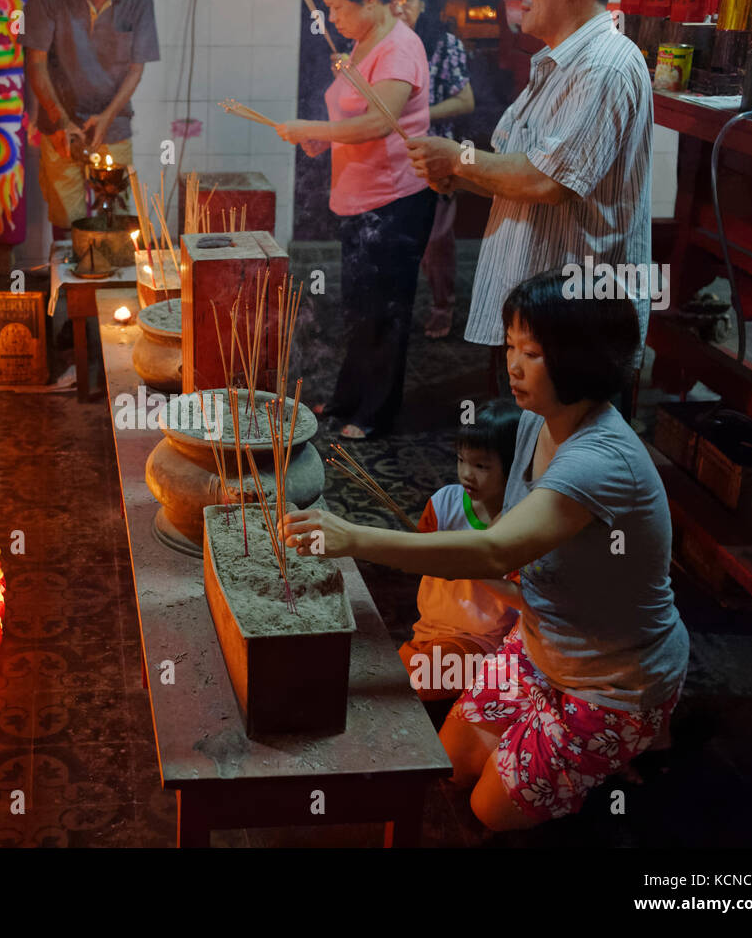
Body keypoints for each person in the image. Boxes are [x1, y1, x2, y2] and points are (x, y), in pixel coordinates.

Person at [280, 271, 689, 830]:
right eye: (511, 346)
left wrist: (353, 537)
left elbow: (495, 551)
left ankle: (636, 738)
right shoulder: (537, 424)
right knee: (451, 763)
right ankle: (557, 744)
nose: (513, 365)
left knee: (488, 810)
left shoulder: (600, 460)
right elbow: (486, 525)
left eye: (534, 353)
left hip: (610, 680)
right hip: (540, 647)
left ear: (583, 361)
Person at [404, 0, 652, 406]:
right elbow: (525, 168)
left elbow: (546, 182)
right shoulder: (557, 63)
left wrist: (458, 161)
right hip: (538, 316)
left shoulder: (603, 65)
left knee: (565, 464)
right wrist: (461, 177)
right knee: (525, 459)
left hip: (574, 323)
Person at [275, 0, 435, 440]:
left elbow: (379, 120)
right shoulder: (361, 42)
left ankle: (375, 413)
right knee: (358, 305)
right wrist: (323, 138)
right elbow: (351, 115)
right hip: (360, 195)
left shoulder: (401, 46)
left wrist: (313, 126)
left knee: (385, 309)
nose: (332, 18)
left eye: (339, 7)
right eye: (327, 8)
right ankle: (350, 398)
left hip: (395, 199)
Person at [400, 398, 523, 701]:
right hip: (428, 629)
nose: (467, 473)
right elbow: (417, 561)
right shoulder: (444, 503)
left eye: (481, 466)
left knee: (406, 687)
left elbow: (524, 599)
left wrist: (471, 565)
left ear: (515, 466)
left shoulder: (524, 522)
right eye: (461, 460)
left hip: (480, 641)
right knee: (383, 675)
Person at [23, 0, 159, 238]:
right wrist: (60, 119)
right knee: (66, 222)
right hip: (59, 123)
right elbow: (36, 63)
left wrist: (107, 117)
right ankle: (67, 274)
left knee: (116, 217)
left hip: (114, 122)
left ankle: (115, 274)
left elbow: (136, 69)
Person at [388, 0, 475, 339]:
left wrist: (416, 116)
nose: (398, 8)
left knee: (437, 239)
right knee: (392, 236)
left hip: (433, 153)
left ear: (424, 4)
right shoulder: (379, 42)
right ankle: (394, 310)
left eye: (406, 0)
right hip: (389, 157)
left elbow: (465, 101)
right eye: (391, 1)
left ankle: (443, 305)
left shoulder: (443, 43)